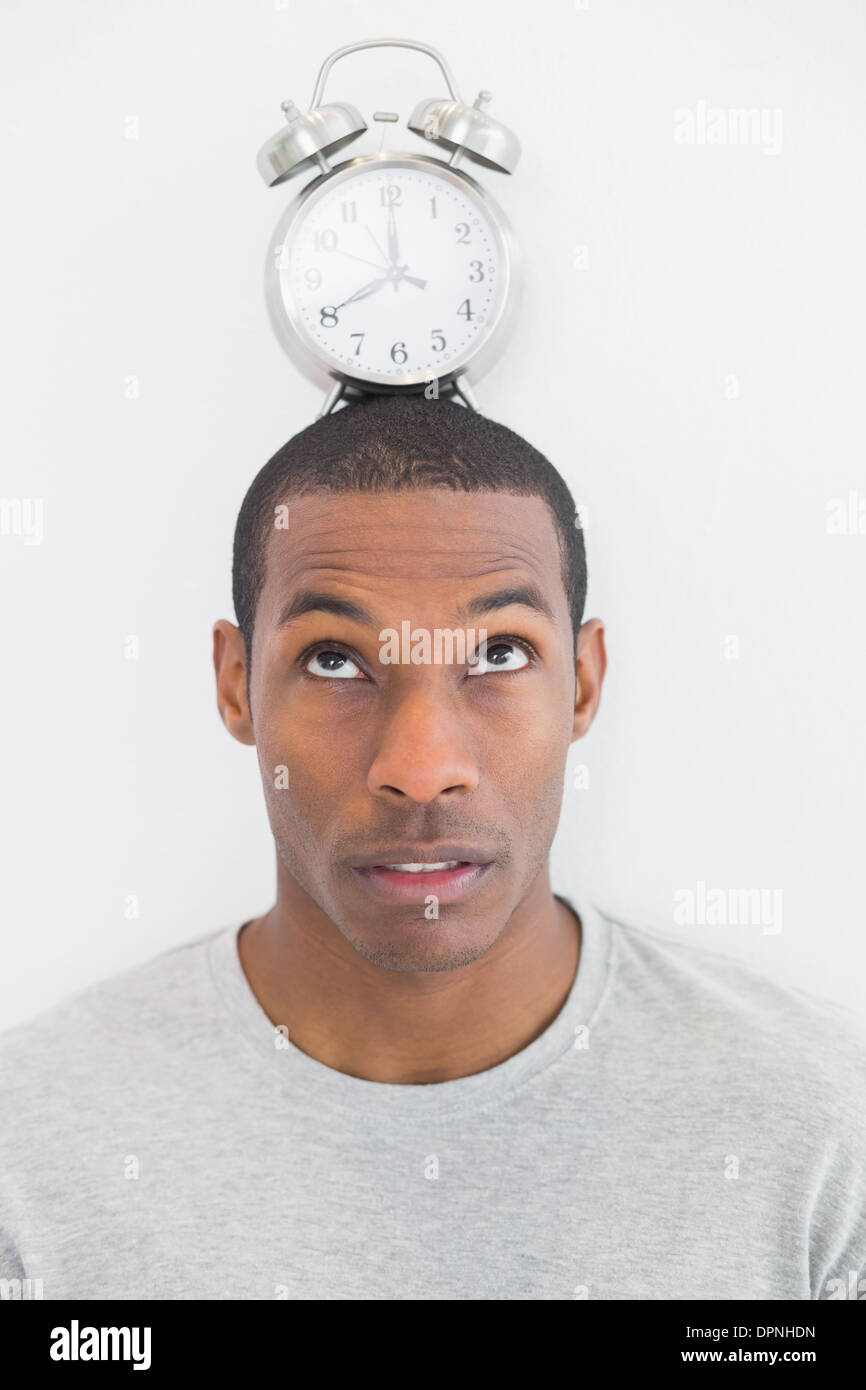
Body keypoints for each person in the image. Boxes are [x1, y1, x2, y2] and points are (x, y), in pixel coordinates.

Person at [1, 394, 864, 1301]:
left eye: (498, 654)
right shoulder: (33, 1156)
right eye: (335, 660)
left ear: (582, 683)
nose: (421, 769)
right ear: (236, 686)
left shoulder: (817, 1140)